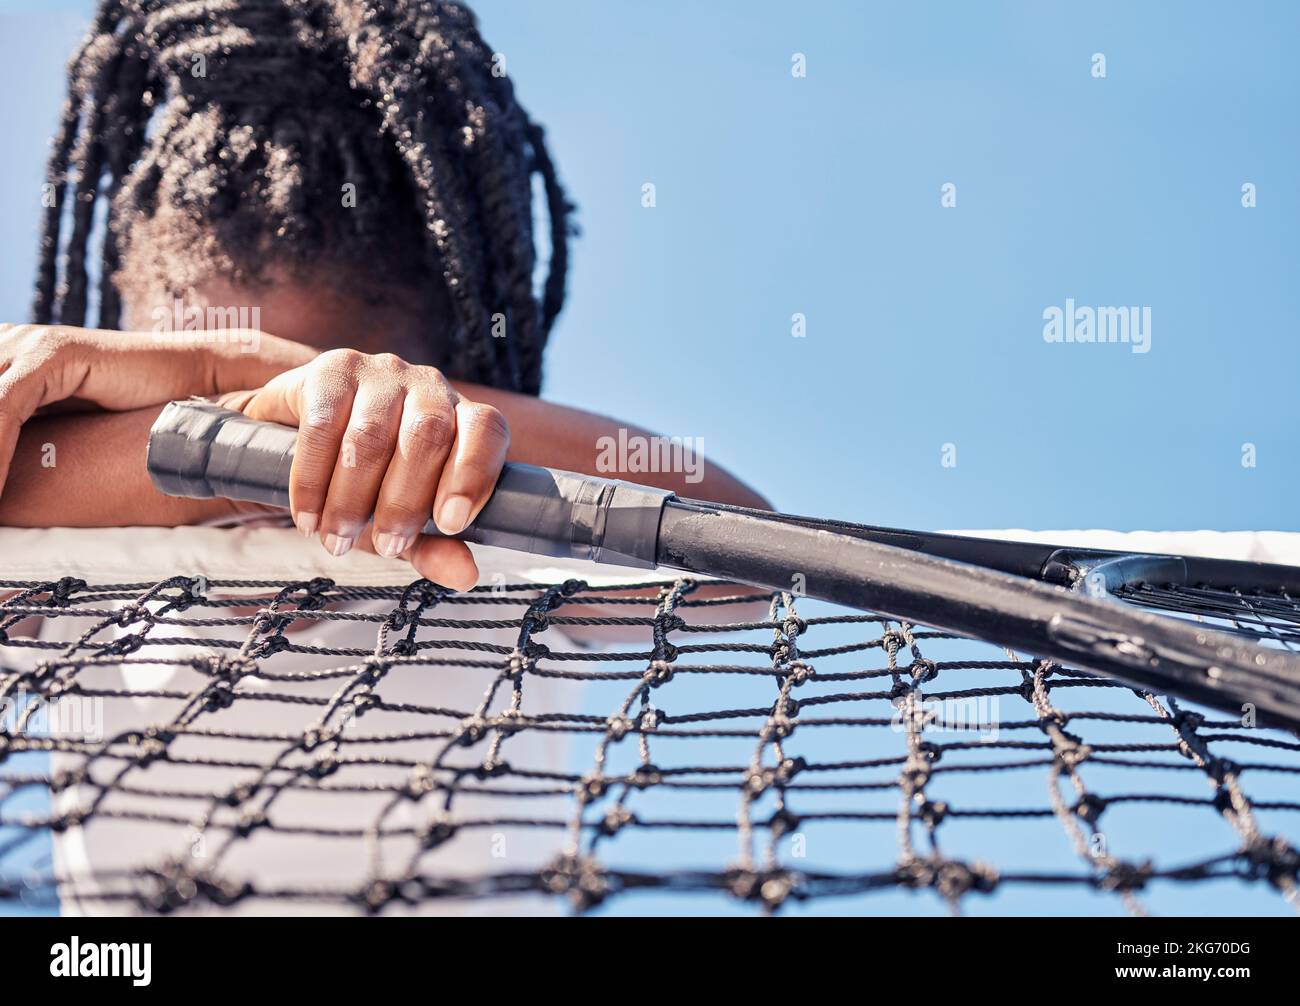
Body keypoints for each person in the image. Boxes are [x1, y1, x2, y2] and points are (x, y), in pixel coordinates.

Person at [0, 0, 767, 916]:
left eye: (348, 427)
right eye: (219, 425)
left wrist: (414, 430)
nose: (284, 473)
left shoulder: (504, 556)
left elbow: (749, 559)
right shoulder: (57, 570)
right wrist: (225, 389)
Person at [0, 0, 767, 588]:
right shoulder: (53, 548)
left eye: (348, 401)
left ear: (441, 382)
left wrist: (250, 382)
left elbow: (749, 554)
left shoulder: (489, 545)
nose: (301, 457)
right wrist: (224, 392)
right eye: (164, 397)